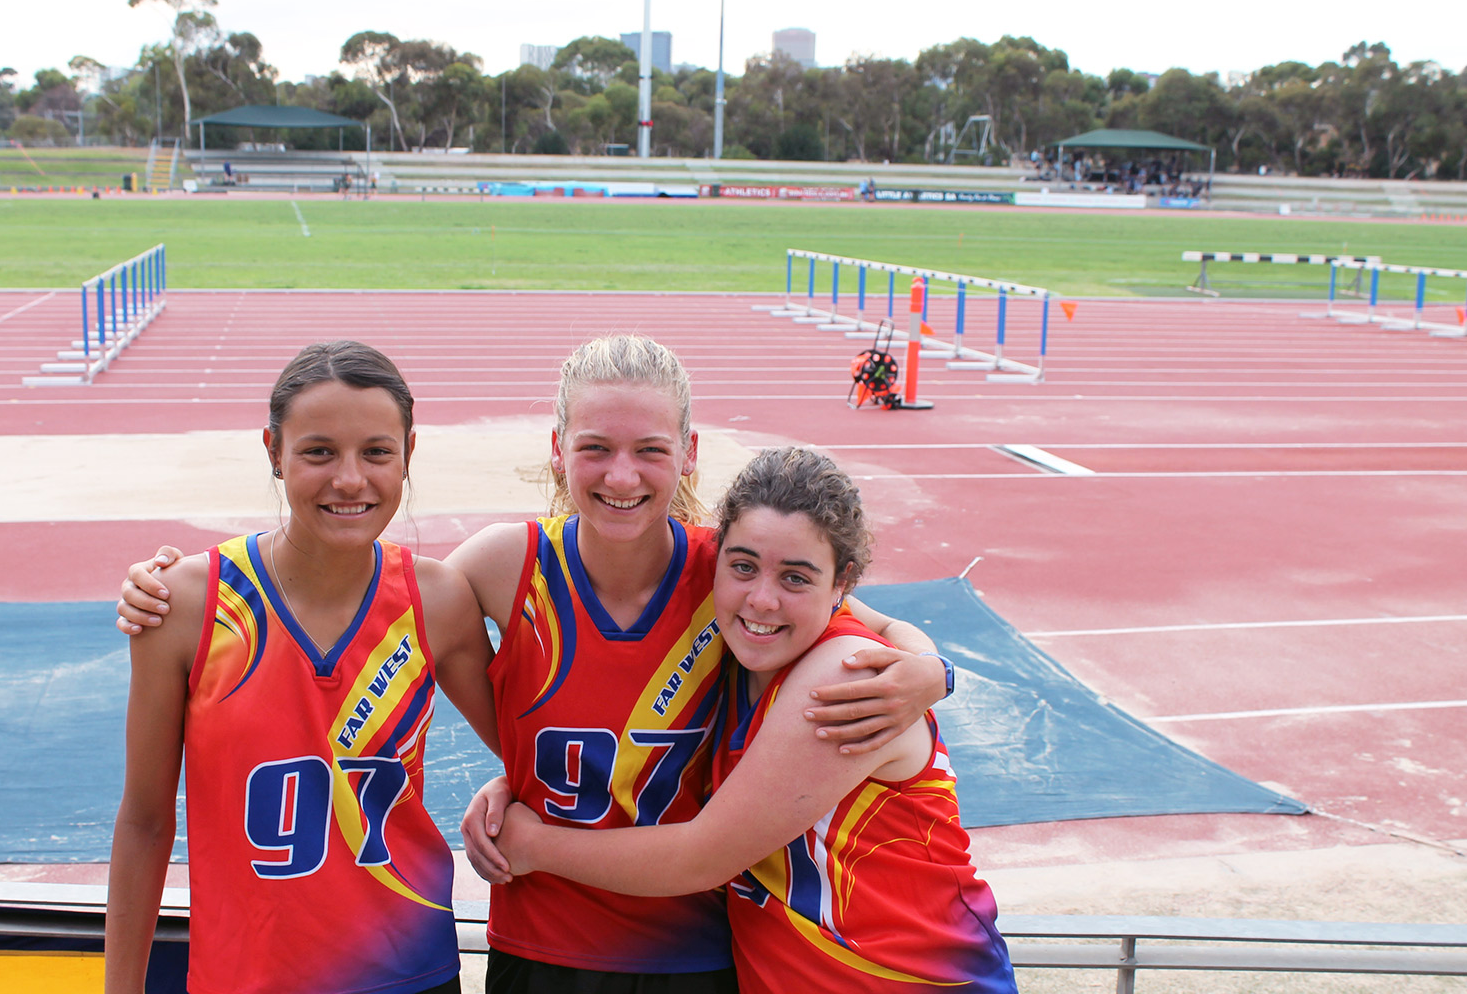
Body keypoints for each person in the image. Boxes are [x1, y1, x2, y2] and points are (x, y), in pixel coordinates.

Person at [116, 336, 950, 994]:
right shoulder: (496, 569)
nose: (621, 475)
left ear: (688, 454)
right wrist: (161, 584)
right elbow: (384, 608)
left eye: (649, 450)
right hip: (535, 950)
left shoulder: (729, 575)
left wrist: (929, 668)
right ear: (558, 450)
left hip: (691, 952)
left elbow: (853, 615)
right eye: (595, 448)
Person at [486, 447, 1017, 992]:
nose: (762, 600)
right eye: (743, 567)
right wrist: (521, 775)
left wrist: (532, 845)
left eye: (795, 579)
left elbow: (701, 858)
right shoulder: (740, 662)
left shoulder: (843, 677)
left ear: (842, 584)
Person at [105, 341, 498, 994]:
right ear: (273, 452)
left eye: (377, 452)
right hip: (246, 977)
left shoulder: (439, 601)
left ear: (408, 454)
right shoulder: (186, 605)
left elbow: (531, 749)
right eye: (319, 451)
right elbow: (145, 822)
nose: (350, 479)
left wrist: (507, 787)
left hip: (410, 972)